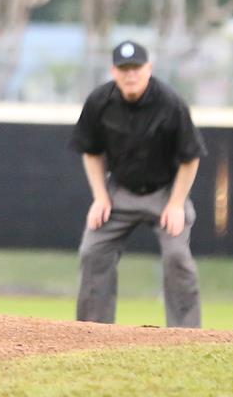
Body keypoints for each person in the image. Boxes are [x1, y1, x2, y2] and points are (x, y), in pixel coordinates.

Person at [70, 40, 206, 328]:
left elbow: (190, 157)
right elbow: (91, 151)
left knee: (177, 256)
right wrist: (100, 197)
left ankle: (186, 334)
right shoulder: (99, 101)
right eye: (124, 68)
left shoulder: (170, 103)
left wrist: (176, 204)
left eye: (136, 68)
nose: (130, 74)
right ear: (114, 71)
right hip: (119, 191)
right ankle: (91, 330)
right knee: (93, 250)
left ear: (149, 69)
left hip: (166, 192)